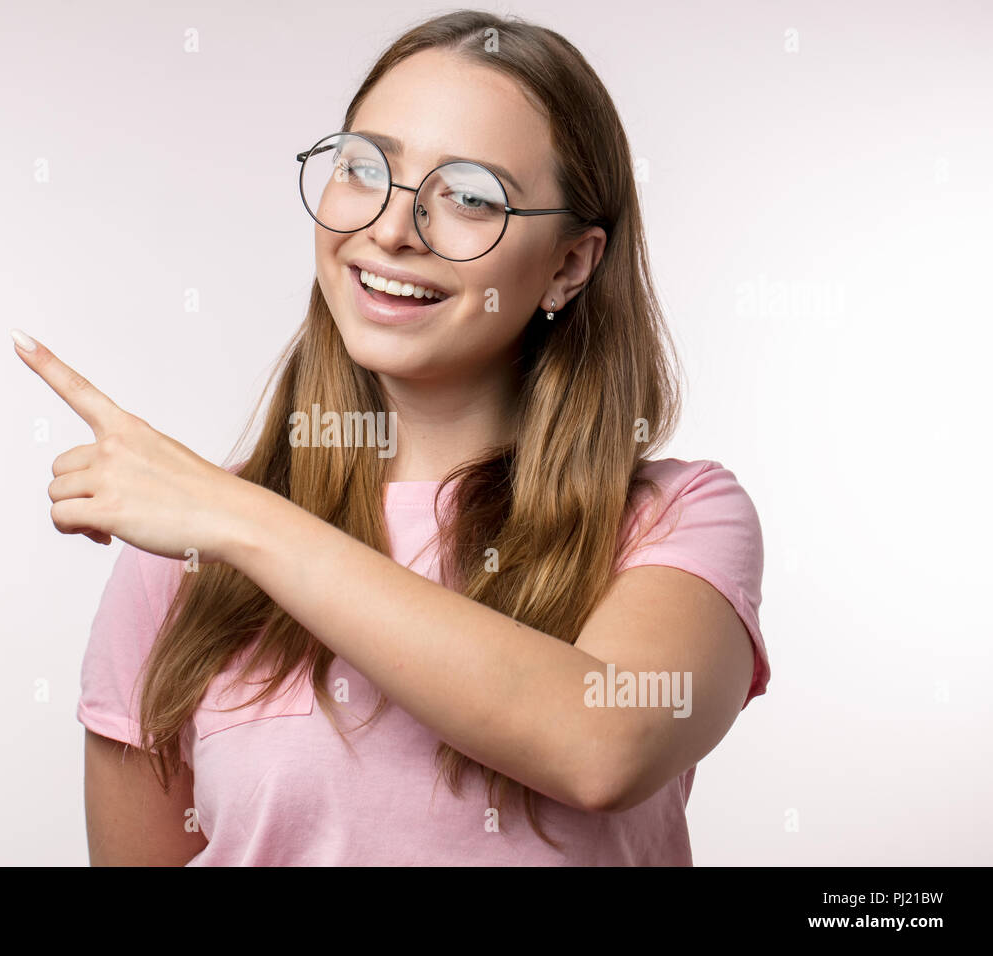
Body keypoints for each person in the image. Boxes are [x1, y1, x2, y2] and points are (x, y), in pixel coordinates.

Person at [50, 9, 768, 865]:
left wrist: (243, 520)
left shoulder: (677, 518)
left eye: (469, 197)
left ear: (570, 265)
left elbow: (603, 745)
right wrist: (223, 518)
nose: (391, 229)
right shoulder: (185, 544)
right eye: (364, 168)